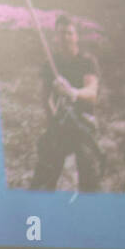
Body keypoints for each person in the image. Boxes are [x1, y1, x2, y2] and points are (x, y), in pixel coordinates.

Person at [30, 14, 103, 192]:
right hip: (61, 123)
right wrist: (53, 120)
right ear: (56, 37)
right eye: (61, 33)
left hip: (83, 122)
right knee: (44, 174)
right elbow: (45, 99)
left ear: (76, 36)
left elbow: (92, 93)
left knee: (89, 177)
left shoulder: (87, 61)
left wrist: (72, 92)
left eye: (70, 33)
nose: (66, 37)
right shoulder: (50, 64)